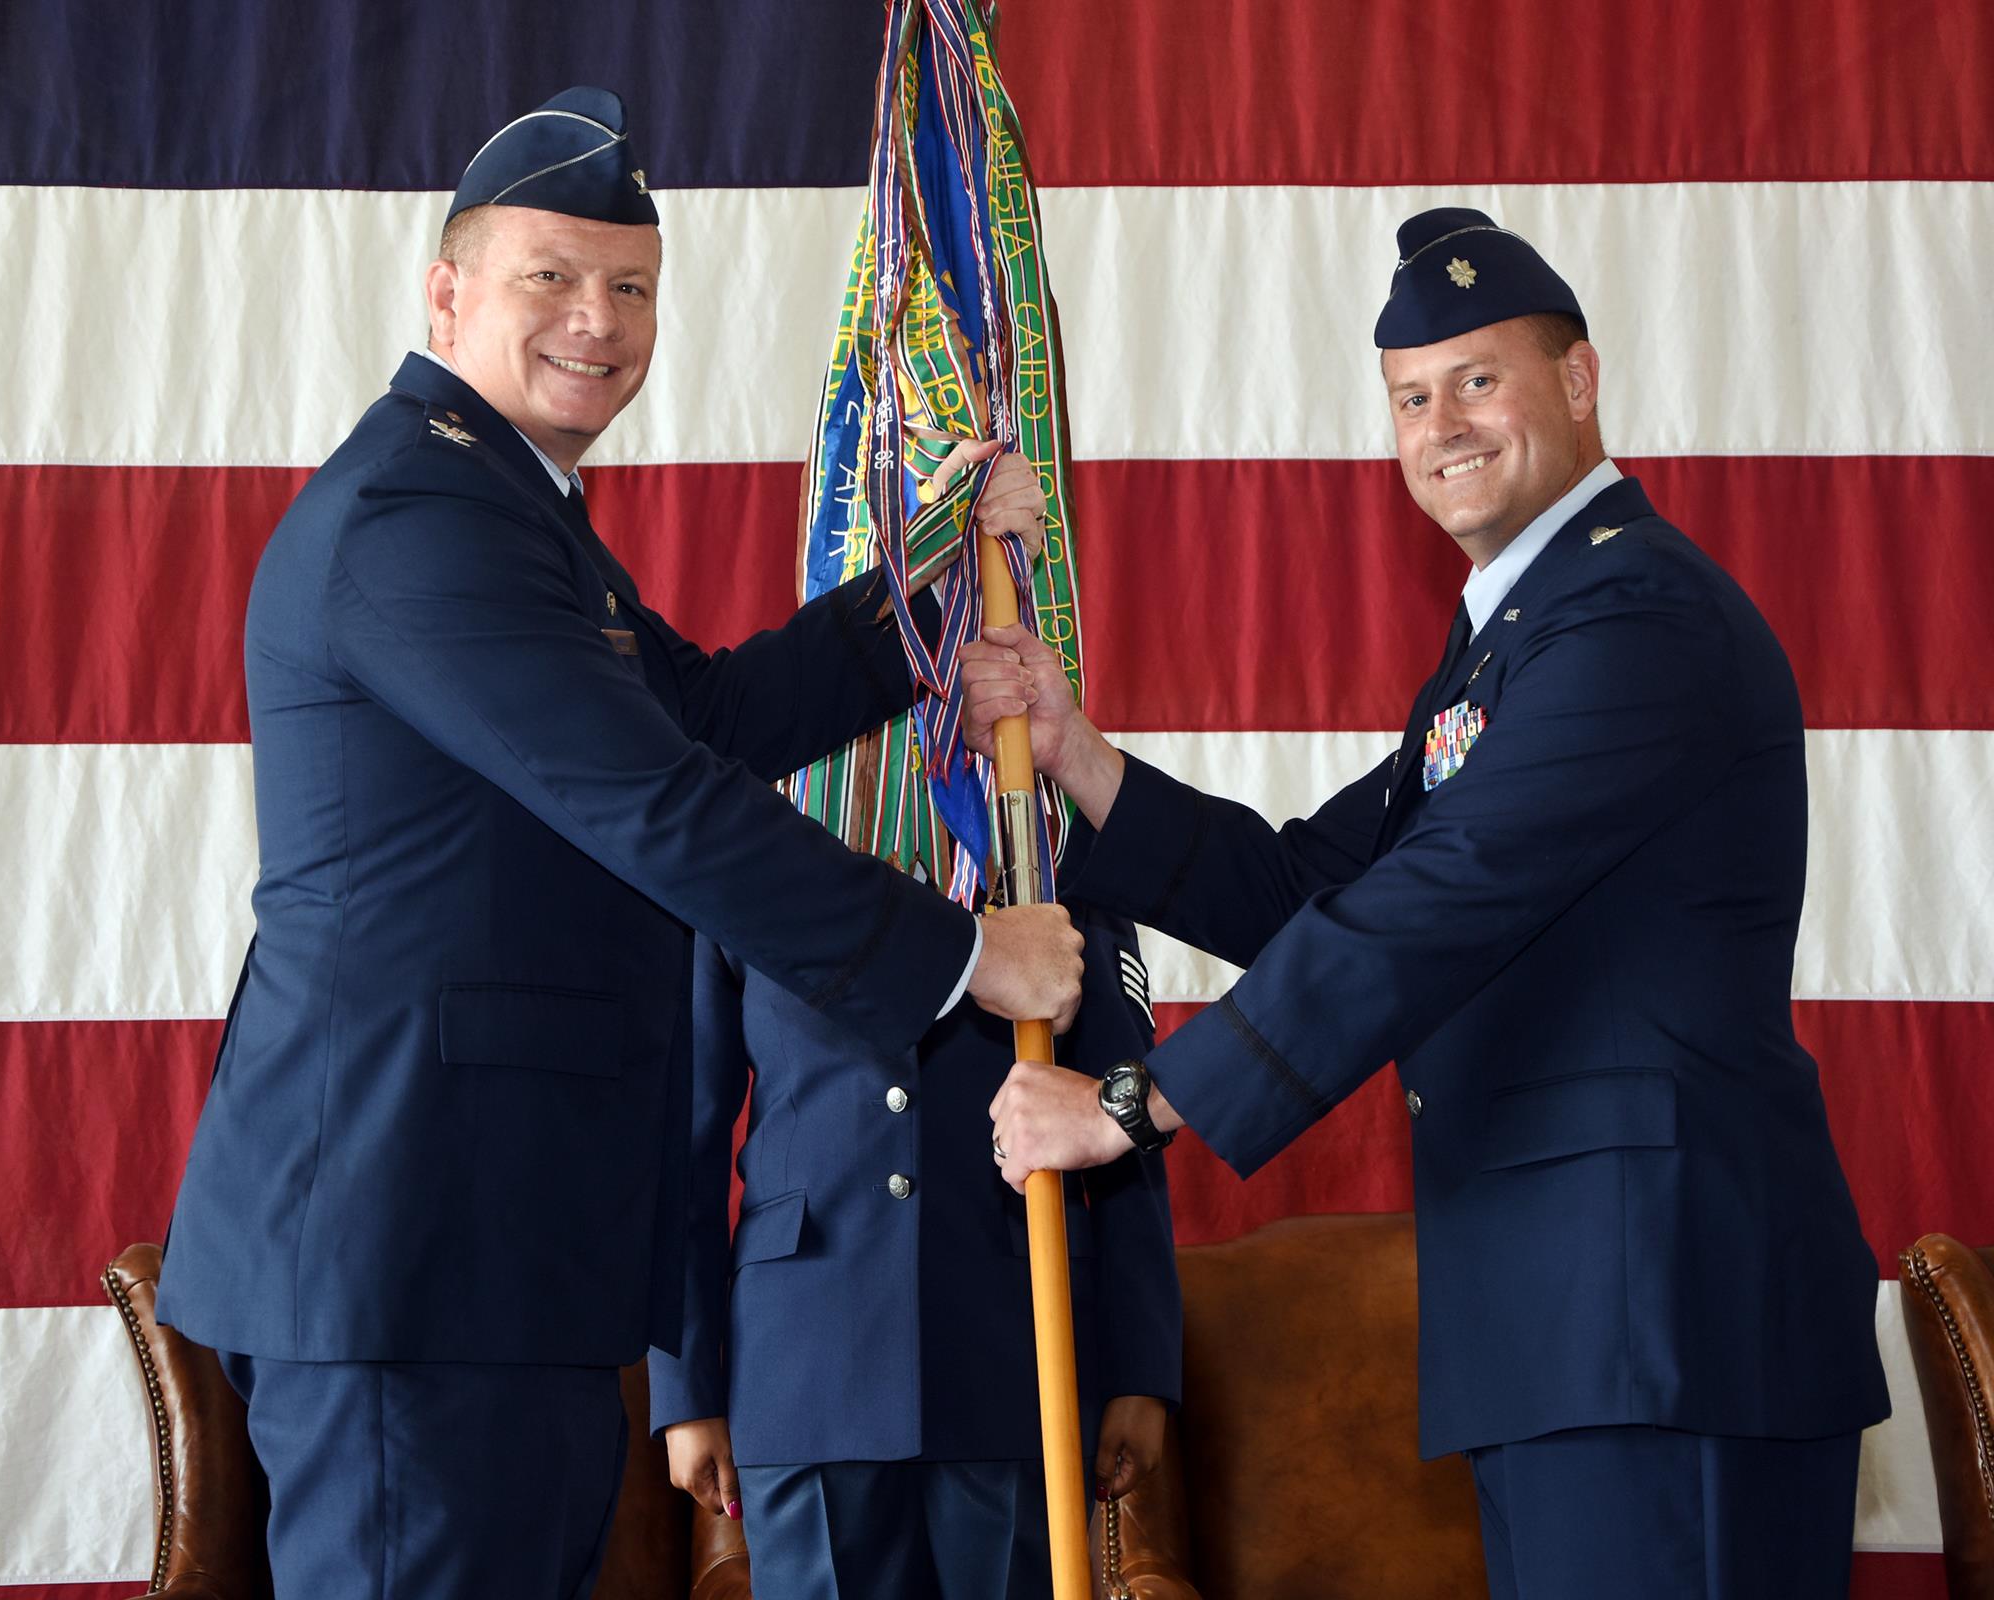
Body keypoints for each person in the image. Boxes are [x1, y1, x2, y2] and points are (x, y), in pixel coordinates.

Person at [153, 87, 1085, 1600]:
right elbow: (658, 805)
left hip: (500, 1256)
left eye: (631, 286)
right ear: (446, 291)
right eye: (550, 278)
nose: (598, 318)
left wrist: (927, 584)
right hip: (413, 1255)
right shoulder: (417, 515)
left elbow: (697, 717)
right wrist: (962, 954)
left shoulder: (511, 510)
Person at [965, 207, 1891, 1599]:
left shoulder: (1636, 619)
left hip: (1664, 1323)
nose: (1443, 424)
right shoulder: (1510, 643)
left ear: (1577, 381)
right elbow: (1316, 887)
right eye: (1411, 396)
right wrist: (1080, 754)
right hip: (1566, 1326)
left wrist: (1125, 1105)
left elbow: (1438, 907)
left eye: (1479, 379)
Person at [649, 916, 1180, 1598]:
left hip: (1016, 1357)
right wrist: (686, 1389)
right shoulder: (740, 830)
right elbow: (684, 1140)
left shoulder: (1044, 829)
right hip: (806, 1369)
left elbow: (1120, 1115)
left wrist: (1140, 1370)